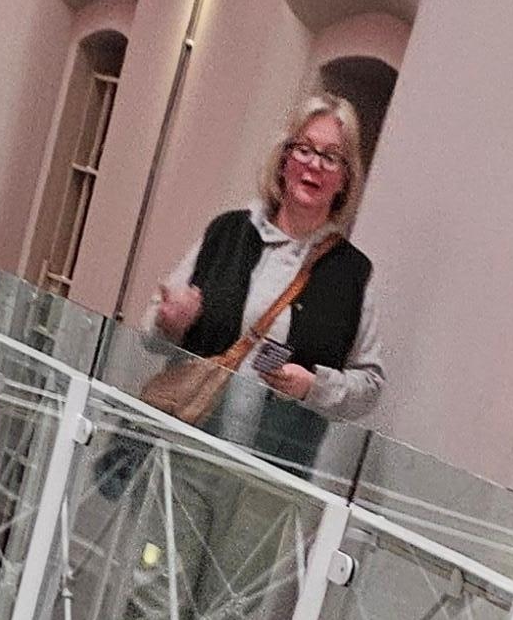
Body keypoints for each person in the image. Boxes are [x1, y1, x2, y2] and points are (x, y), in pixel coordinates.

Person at [142, 91, 386, 472]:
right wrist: (170, 323)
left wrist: (312, 386)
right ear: (284, 159)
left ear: (344, 178)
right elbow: (150, 332)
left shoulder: (352, 273)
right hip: (186, 450)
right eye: (304, 149)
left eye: (331, 157)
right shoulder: (228, 231)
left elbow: (370, 385)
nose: (315, 165)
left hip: (272, 476)